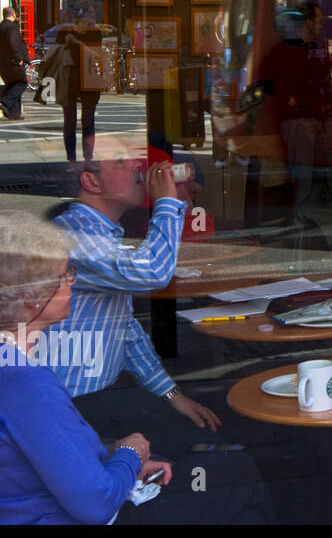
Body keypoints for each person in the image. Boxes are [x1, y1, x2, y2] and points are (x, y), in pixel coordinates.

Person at [40, 135, 221, 435]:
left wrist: (173, 395)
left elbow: (123, 328)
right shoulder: (77, 234)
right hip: (67, 409)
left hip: (90, 400)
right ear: (91, 182)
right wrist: (166, 203)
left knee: (201, 433)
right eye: (121, 160)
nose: (138, 165)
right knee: (204, 449)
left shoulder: (102, 232)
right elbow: (151, 273)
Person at [0, 213, 172, 524]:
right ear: (32, 298)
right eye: (65, 275)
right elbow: (96, 504)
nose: (71, 283)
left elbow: (39, 456)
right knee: (230, 482)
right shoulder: (23, 381)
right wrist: (132, 453)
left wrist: (120, 463)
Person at [255, 3, 332, 217]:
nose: (321, 25)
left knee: (313, 180)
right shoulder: (284, 52)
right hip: (299, 124)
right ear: (308, 23)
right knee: (303, 181)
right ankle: (299, 231)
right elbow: (268, 88)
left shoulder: (310, 50)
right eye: (318, 21)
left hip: (311, 122)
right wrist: (291, 105)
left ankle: (309, 225)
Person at [56, 19, 103, 164]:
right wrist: (66, 43)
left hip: (90, 79)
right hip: (69, 80)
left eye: (92, 13)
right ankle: (71, 160)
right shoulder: (65, 31)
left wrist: (77, 42)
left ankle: (88, 159)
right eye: (88, 13)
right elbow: (57, 53)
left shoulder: (95, 33)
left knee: (88, 120)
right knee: (70, 121)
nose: (91, 17)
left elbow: (96, 55)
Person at [0, 6, 29, 121]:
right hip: (13, 62)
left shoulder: (1, 26)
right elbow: (13, 43)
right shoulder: (12, 27)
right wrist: (19, 58)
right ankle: (5, 101)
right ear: (13, 15)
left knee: (12, 84)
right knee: (22, 83)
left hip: (3, 63)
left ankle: (14, 114)